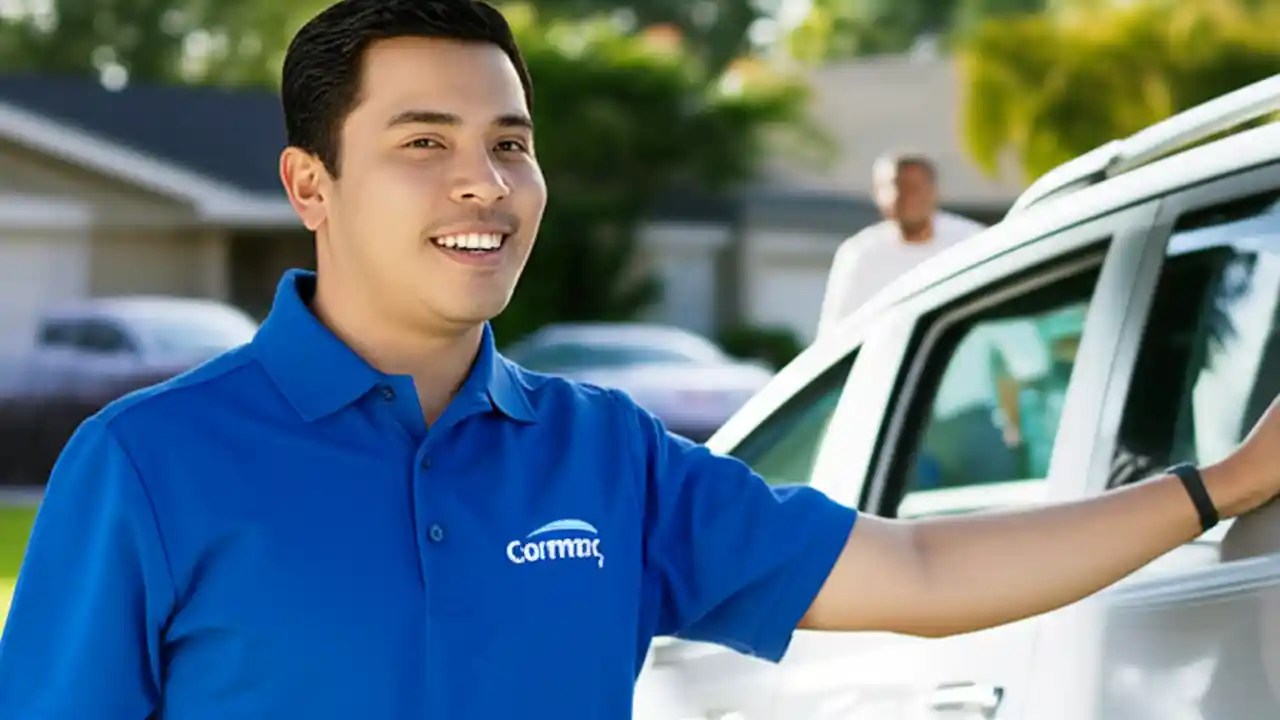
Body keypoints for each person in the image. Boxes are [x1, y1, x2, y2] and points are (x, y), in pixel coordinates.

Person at [0, 2, 1276, 718]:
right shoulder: (149, 466)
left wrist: (1222, 482)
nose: (483, 184)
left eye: (509, 144)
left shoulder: (602, 456)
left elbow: (919, 563)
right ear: (308, 183)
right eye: (425, 142)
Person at [817, 151, 986, 337]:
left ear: (934, 191)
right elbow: (835, 332)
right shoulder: (859, 254)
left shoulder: (972, 241)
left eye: (915, 187)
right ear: (877, 194)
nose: (906, 196)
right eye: (897, 186)